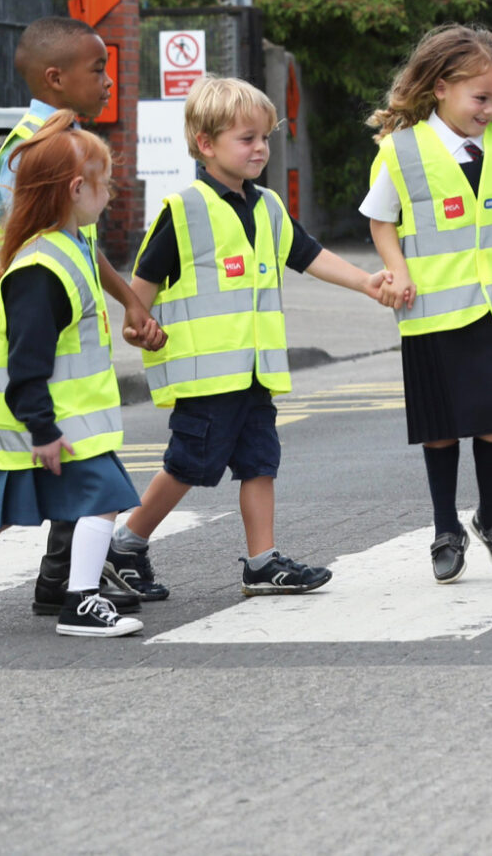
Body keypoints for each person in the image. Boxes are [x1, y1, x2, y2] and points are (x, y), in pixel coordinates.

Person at [114, 77, 389, 600]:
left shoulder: (267, 206)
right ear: (205, 143)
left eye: (265, 137)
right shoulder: (184, 211)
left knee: (261, 463)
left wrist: (366, 281)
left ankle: (262, 563)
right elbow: (138, 292)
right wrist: (137, 327)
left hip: (255, 372)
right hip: (206, 377)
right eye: (247, 138)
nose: (260, 148)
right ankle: (126, 543)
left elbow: (308, 255)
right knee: (187, 466)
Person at [0, 16, 166, 621]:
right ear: (56, 78)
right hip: (28, 340)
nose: (110, 80)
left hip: (49, 339)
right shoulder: (37, 150)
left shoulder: (67, 138)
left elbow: (79, 245)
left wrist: (129, 299)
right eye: (98, 69)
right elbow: (37, 249)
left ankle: (69, 584)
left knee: (48, 484)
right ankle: (73, 589)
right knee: (58, 475)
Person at [359, 25, 492, 585]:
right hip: (435, 307)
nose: (491, 109)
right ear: (443, 86)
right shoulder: (400, 150)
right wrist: (396, 270)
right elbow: (381, 219)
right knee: (441, 425)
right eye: (481, 98)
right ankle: (445, 528)